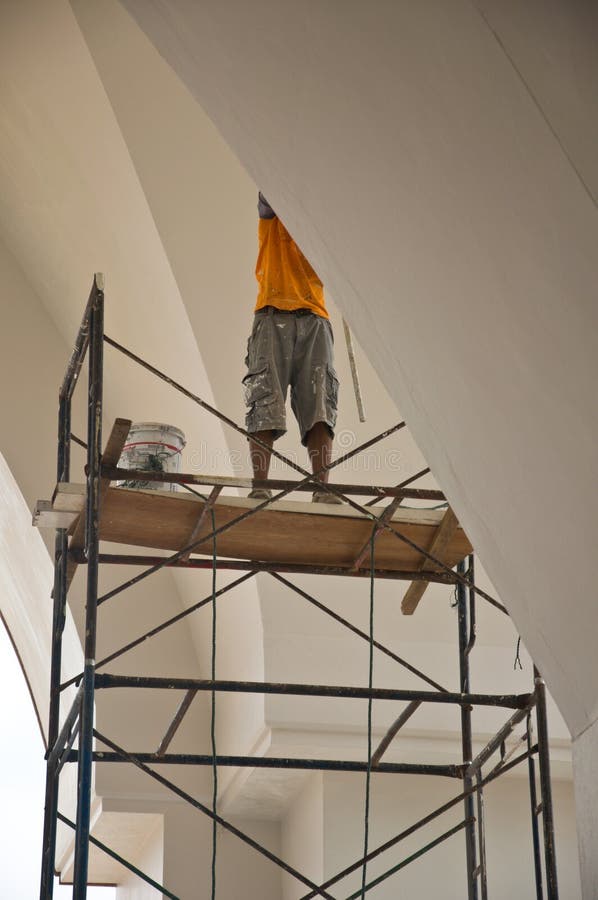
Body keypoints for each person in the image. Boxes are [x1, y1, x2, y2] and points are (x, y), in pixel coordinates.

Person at [243, 192, 341, 503]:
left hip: (315, 318)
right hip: (273, 313)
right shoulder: (275, 214)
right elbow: (267, 195)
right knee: (265, 397)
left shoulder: (324, 231)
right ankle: (260, 484)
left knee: (320, 404)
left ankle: (321, 488)